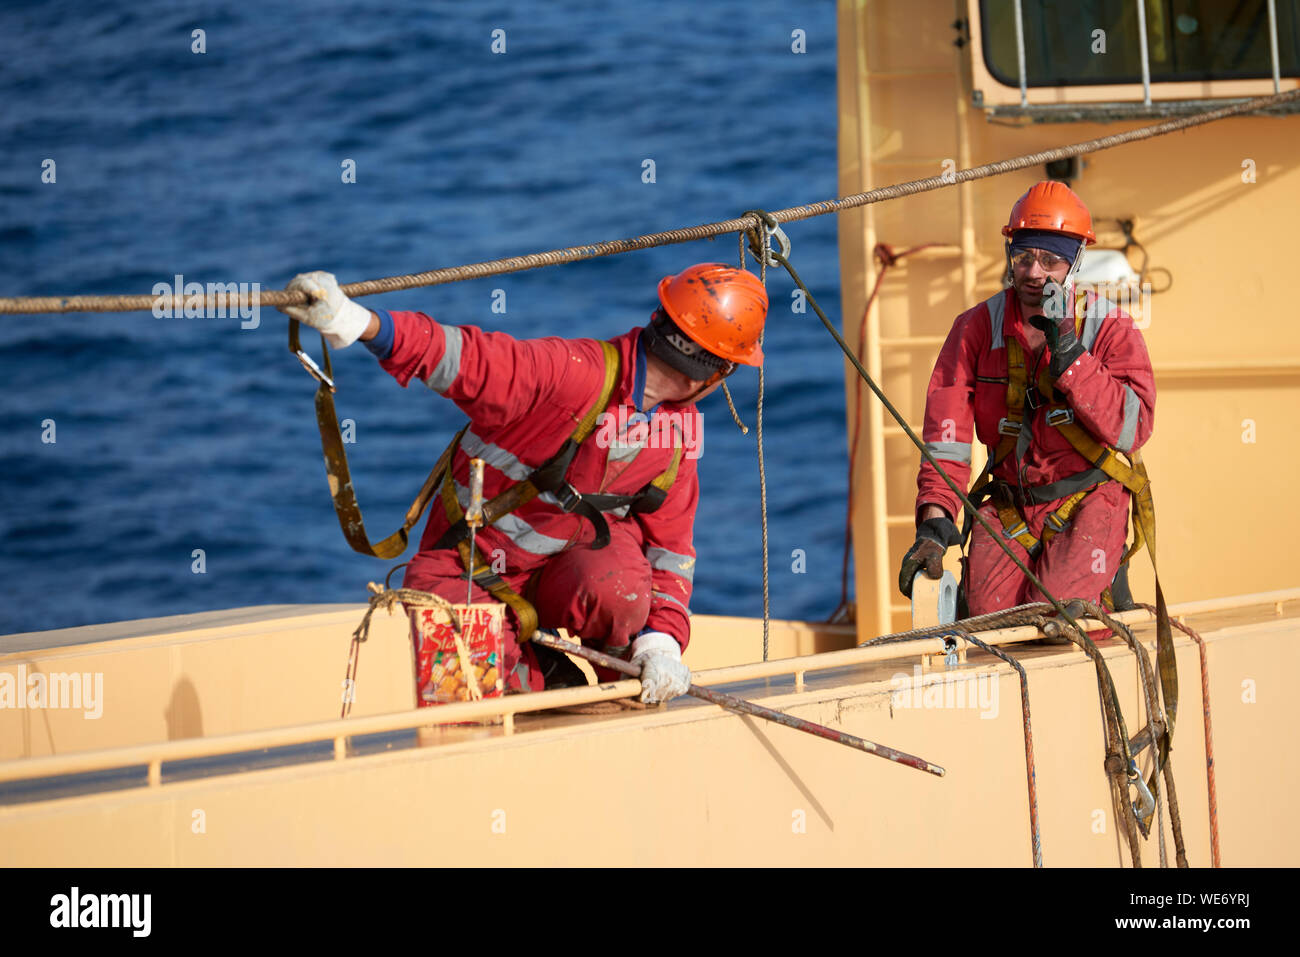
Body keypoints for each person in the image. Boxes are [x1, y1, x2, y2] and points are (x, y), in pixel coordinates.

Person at [279, 263, 767, 702]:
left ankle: (620, 696)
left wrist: (661, 644)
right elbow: (468, 360)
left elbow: (668, 555)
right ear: (718, 370)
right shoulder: (574, 376)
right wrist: (355, 322)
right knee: (466, 708)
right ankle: (539, 676)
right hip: (465, 570)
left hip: (561, 572)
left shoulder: (674, 438)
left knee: (620, 586)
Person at [899, 181, 1156, 617]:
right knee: (992, 621)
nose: (1034, 272)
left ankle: (1105, 575)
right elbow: (948, 438)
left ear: (1075, 264)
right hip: (1010, 505)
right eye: (1023, 257)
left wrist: (1073, 359)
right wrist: (934, 523)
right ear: (1010, 258)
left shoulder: (1110, 328)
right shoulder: (975, 330)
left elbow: (1133, 429)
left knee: (1057, 614)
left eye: (1050, 260)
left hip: (1090, 499)